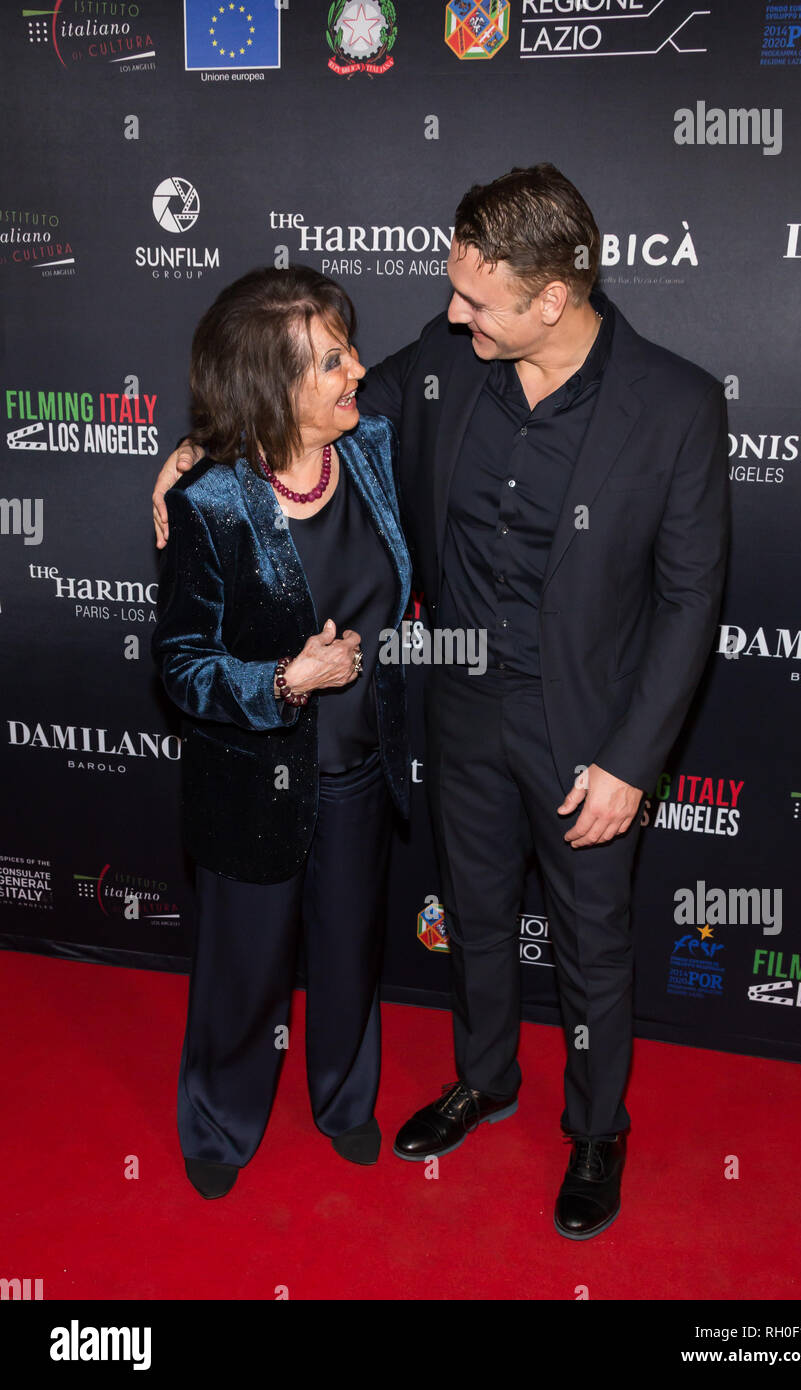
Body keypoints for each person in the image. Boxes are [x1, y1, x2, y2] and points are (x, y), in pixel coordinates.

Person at [153, 165, 729, 1237]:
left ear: (547, 300)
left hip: (588, 732)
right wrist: (196, 449)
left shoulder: (677, 403)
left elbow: (691, 599)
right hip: (456, 709)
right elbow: (283, 413)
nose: (447, 312)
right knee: (470, 918)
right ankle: (484, 1078)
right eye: (451, 291)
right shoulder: (447, 369)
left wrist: (630, 762)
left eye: (473, 299)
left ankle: (596, 1129)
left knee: (589, 938)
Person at [151, 265, 411, 1199]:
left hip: (360, 771)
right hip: (252, 777)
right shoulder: (212, 506)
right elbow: (180, 666)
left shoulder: (376, 447)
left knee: (349, 951)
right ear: (272, 385)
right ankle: (219, 1116)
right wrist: (283, 680)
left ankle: (345, 1100)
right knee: (243, 964)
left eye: (349, 350)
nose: (358, 372)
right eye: (332, 361)